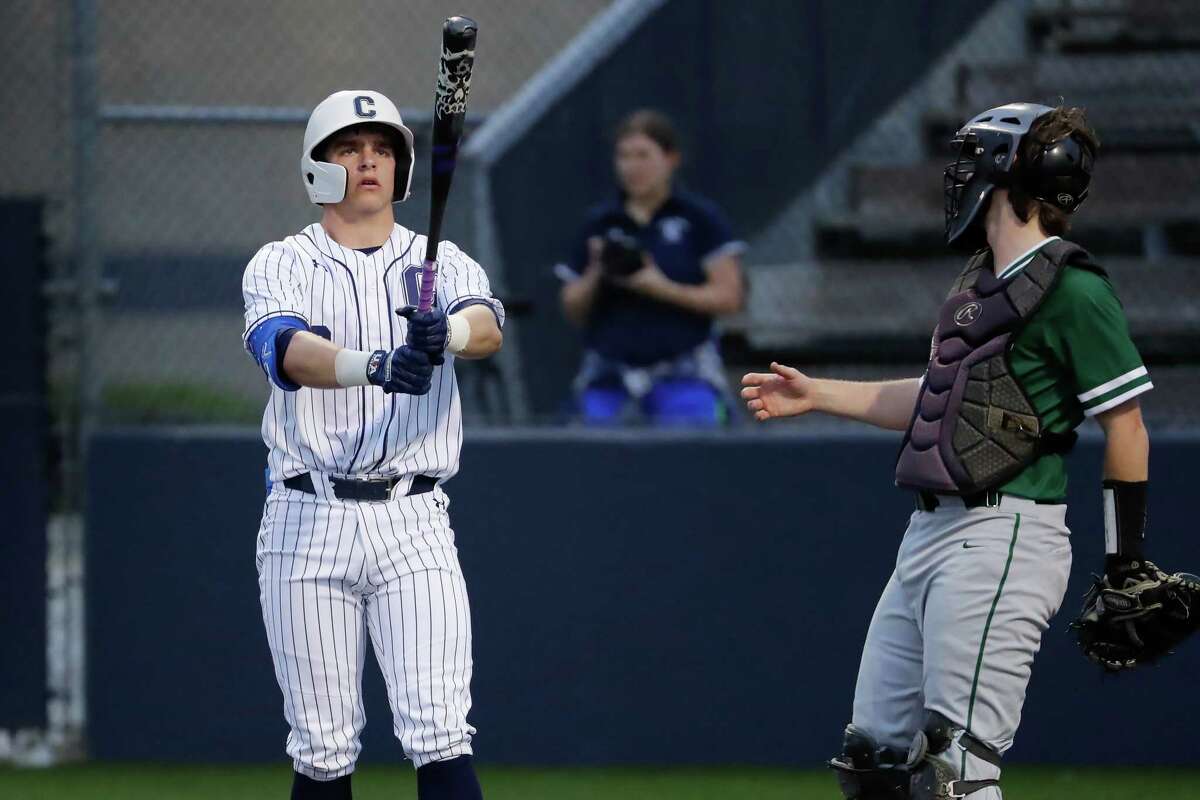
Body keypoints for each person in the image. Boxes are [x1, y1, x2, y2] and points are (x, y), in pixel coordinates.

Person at [742, 104, 1154, 799]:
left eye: (973, 159)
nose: (958, 174)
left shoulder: (1075, 289)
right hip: (929, 533)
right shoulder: (977, 282)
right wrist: (817, 394)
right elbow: (942, 401)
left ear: (1013, 173)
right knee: (874, 762)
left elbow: (1127, 425)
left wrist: (1126, 563)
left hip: (1004, 534)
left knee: (955, 771)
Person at [241, 89, 504, 800]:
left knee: (440, 733)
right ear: (319, 166)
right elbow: (285, 350)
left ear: (402, 168)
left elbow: (487, 327)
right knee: (322, 748)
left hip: (413, 518)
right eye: (350, 148)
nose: (368, 161)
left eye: (382, 149)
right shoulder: (282, 262)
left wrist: (446, 332)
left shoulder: (442, 261)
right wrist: (377, 364)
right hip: (307, 516)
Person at [556, 109, 746, 425]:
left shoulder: (699, 219)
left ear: (670, 159)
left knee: (693, 429)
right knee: (587, 431)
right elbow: (572, 309)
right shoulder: (599, 222)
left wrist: (659, 287)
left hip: (684, 371)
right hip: (610, 373)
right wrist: (597, 271)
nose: (632, 167)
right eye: (624, 156)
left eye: (643, 155)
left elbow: (729, 297)